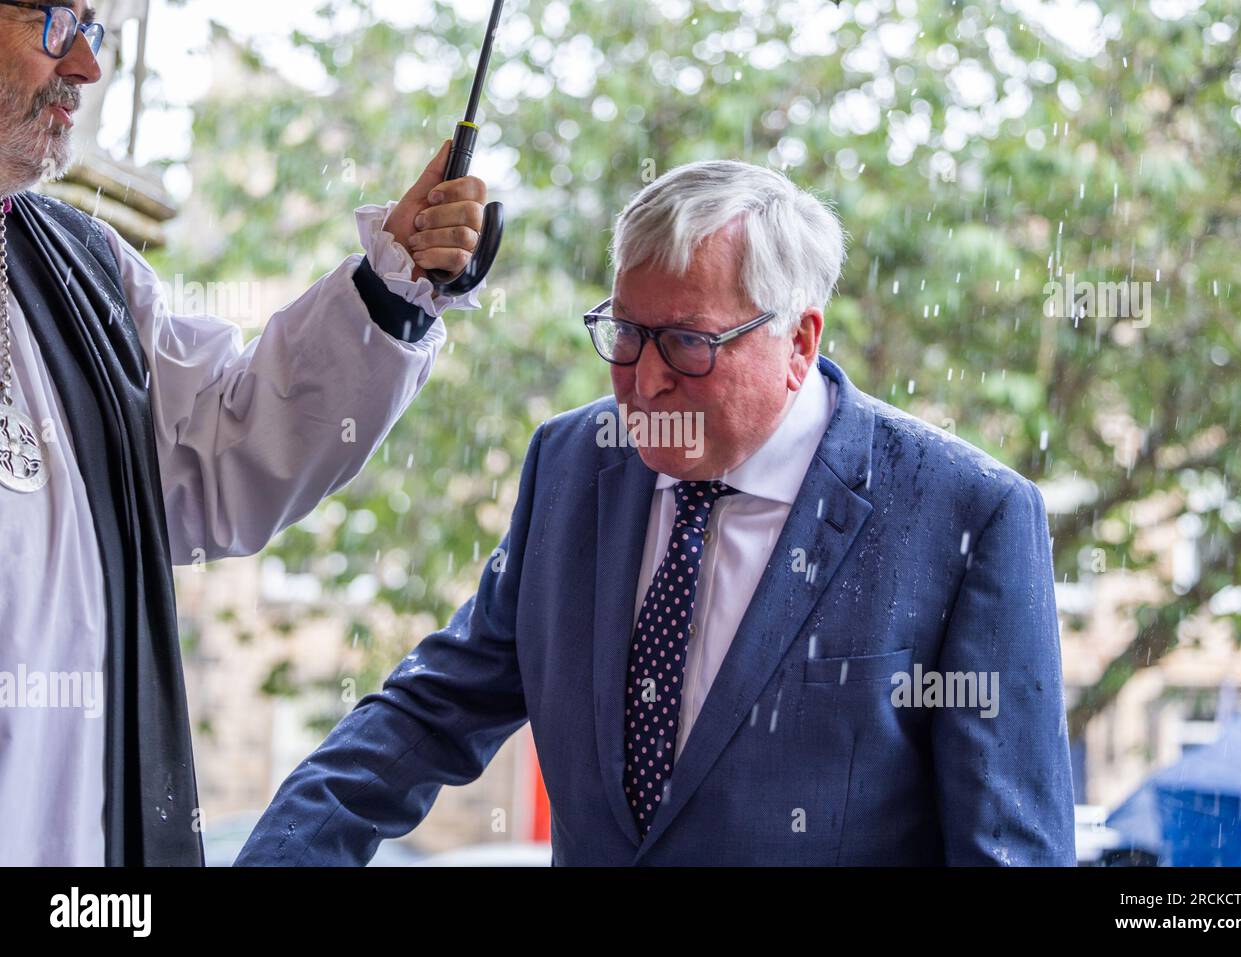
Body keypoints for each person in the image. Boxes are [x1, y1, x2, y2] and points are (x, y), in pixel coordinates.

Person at [237, 158, 1077, 866]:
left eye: (686, 343)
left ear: (801, 342)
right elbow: (428, 714)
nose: (644, 382)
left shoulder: (969, 515)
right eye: (626, 334)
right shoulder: (572, 465)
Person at [0, 0, 491, 865]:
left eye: (94, 27)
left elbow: (225, 448)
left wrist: (393, 285)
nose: (86, 65)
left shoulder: (90, 271)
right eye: (52, 21)